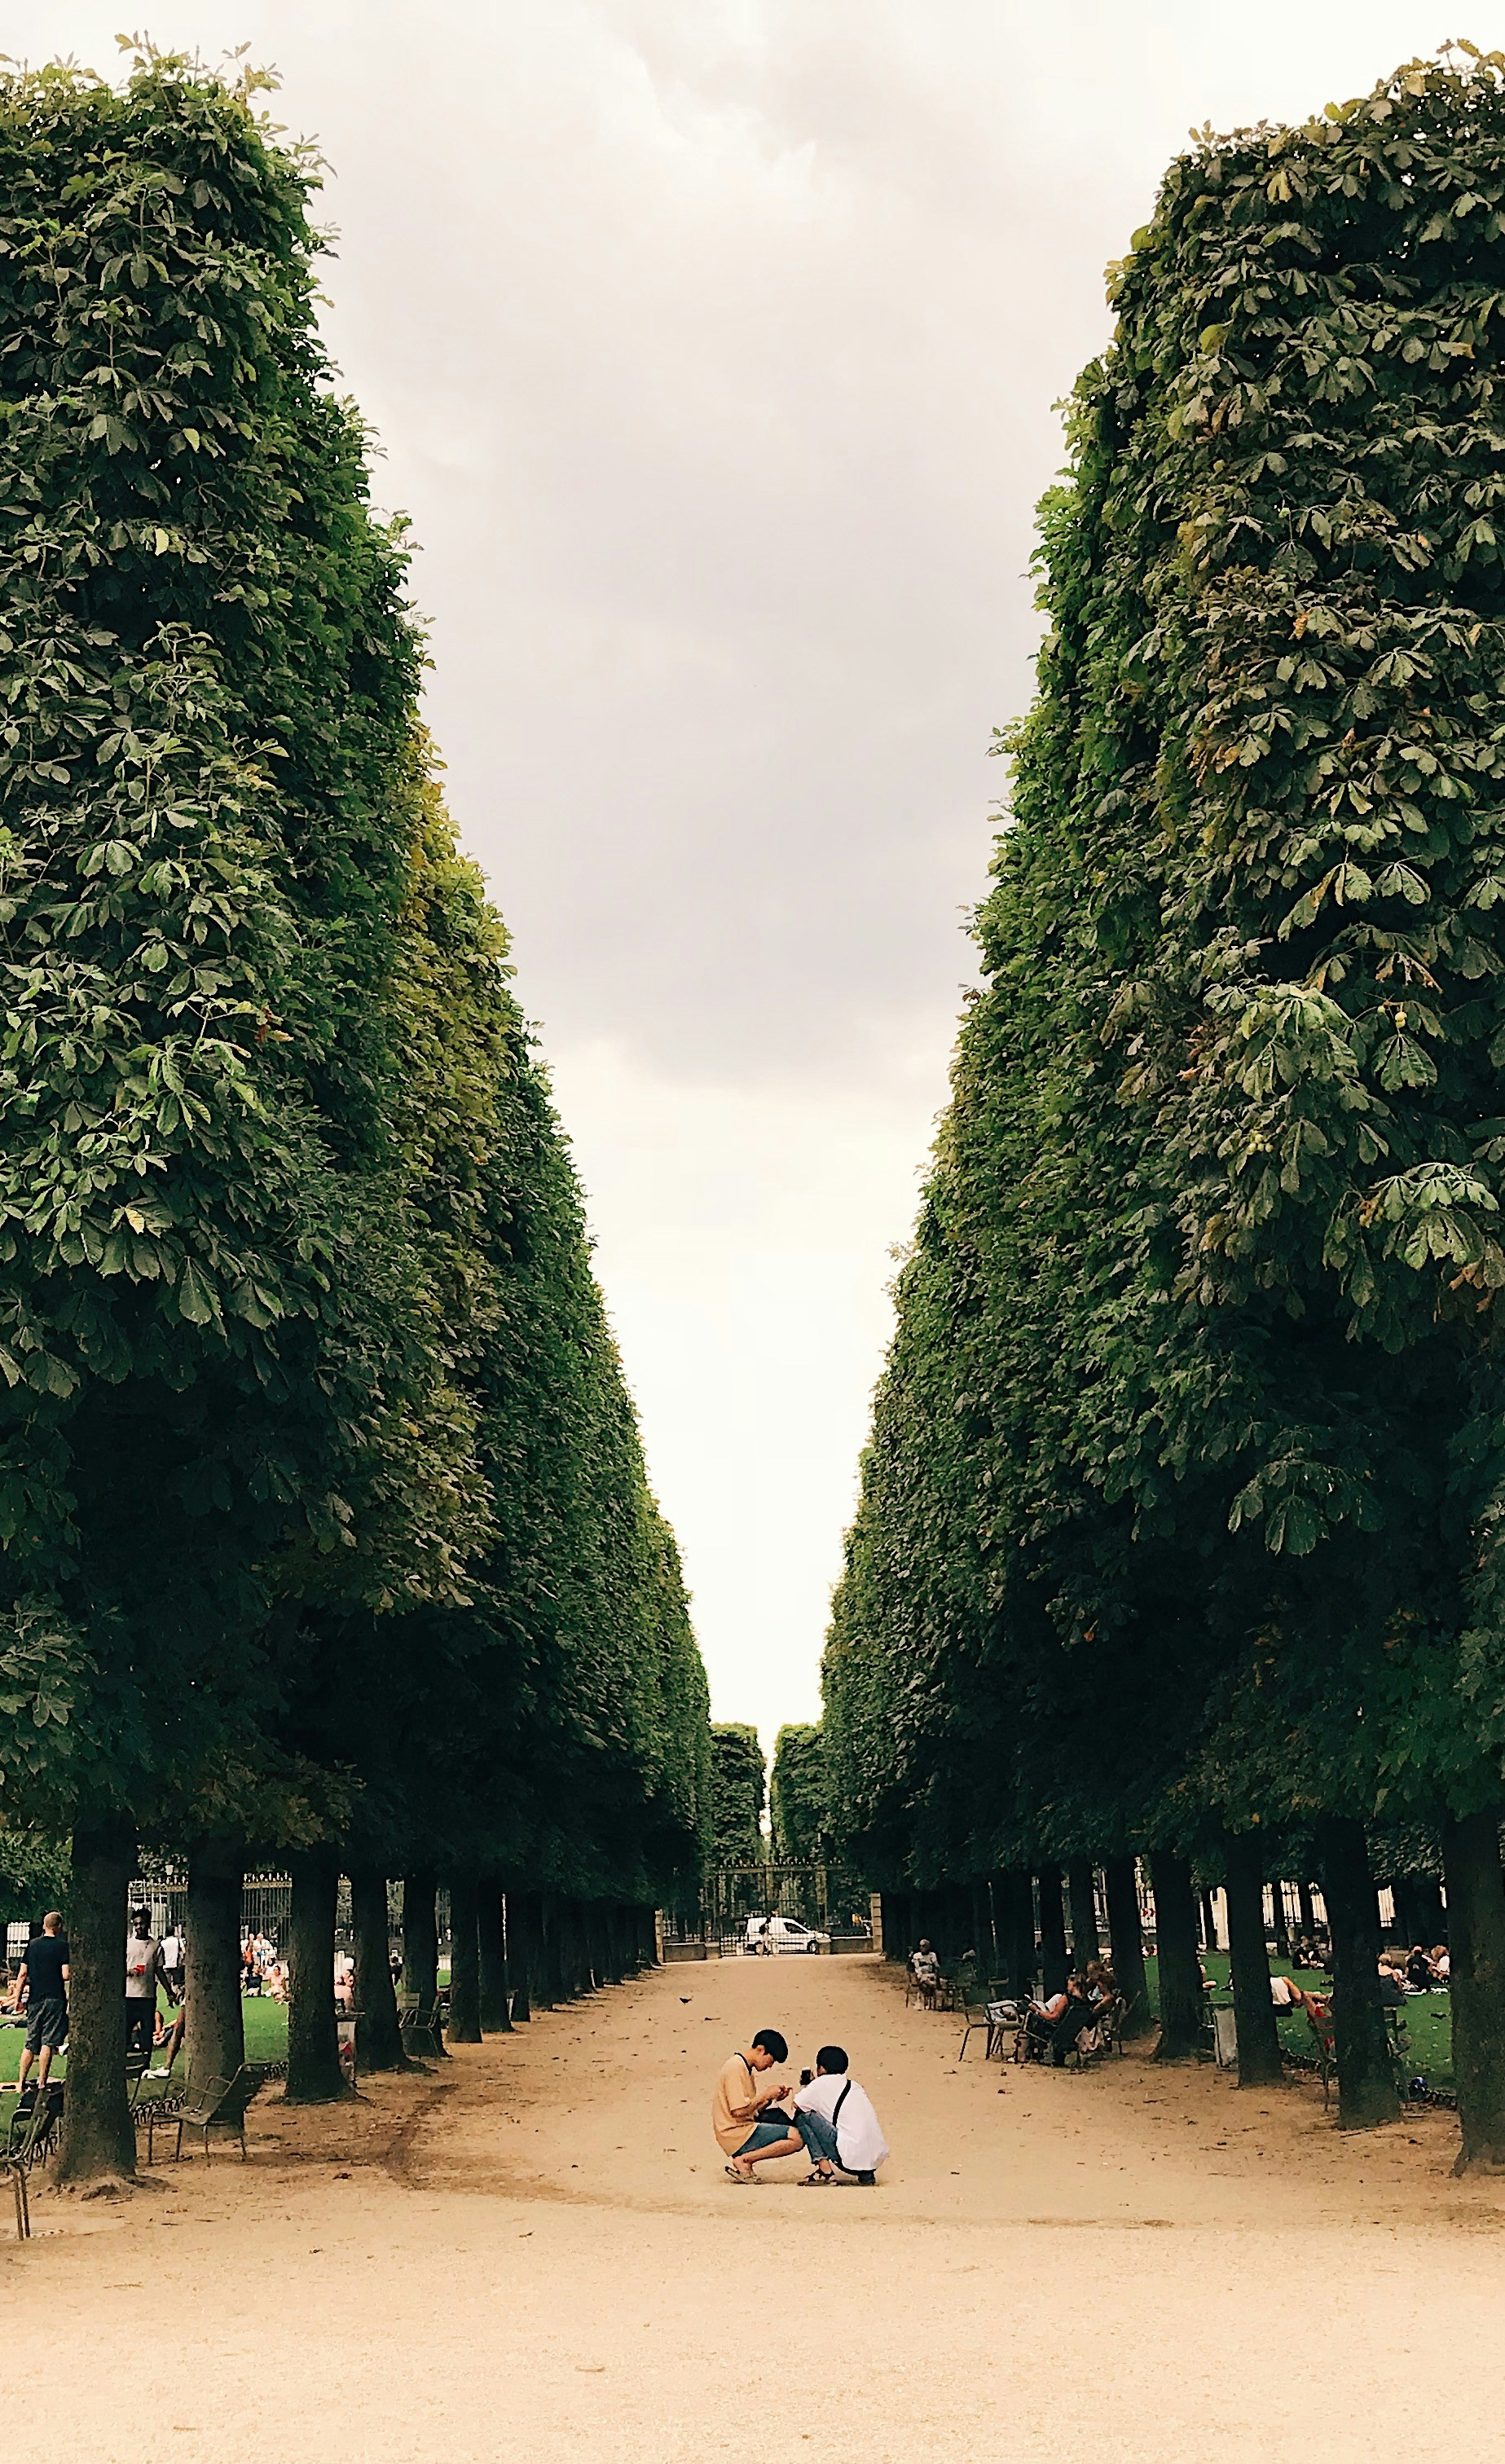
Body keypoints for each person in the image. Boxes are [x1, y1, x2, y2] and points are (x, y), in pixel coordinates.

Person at [792, 2044, 890, 2185]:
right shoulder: (854, 2085)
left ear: (822, 2068)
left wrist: (808, 2086)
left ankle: (825, 2172)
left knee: (803, 2117)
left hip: (847, 2156)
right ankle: (866, 2175)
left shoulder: (820, 2083)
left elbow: (798, 2105)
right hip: (874, 2159)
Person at [713, 2028, 802, 2182]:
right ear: (761, 2050)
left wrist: (770, 2100)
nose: (770, 2066)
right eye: (771, 2060)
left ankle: (745, 2160)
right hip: (736, 2133)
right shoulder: (736, 2067)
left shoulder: (745, 2068)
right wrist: (766, 2095)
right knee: (797, 2137)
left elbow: (749, 2109)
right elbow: (739, 2110)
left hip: (740, 2128)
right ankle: (745, 2160)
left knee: (787, 2125)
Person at [9, 1912, 68, 2100]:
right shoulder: (62, 1946)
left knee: (30, 2042)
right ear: (58, 1926)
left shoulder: (32, 1945)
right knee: (48, 2042)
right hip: (54, 1998)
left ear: (44, 1926)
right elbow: (65, 1974)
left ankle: (21, 2083)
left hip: (35, 1999)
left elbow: (22, 1974)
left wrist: (18, 1999)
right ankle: (42, 2082)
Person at [125, 1907, 174, 2059]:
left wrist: (169, 1991)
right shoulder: (127, 1944)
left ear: (148, 1924)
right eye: (136, 1924)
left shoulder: (156, 1945)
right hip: (129, 1994)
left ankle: (145, 2062)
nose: (139, 1927)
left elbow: (159, 1970)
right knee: (125, 2029)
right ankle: (126, 2060)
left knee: (147, 2031)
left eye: (142, 1924)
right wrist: (129, 1971)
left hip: (147, 1995)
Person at [909, 1939, 941, 2007]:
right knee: (926, 1980)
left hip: (930, 1974)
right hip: (921, 1975)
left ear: (928, 1947)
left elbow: (936, 1965)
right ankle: (928, 1997)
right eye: (920, 1946)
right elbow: (917, 1967)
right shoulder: (917, 1956)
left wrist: (936, 1968)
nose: (921, 1947)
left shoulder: (932, 1955)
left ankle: (934, 2000)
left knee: (935, 1979)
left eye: (923, 1946)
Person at [160, 1923, 185, 1998]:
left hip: (165, 1965)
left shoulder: (163, 1942)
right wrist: (181, 1959)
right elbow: (184, 1951)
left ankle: (170, 1996)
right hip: (175, 1964)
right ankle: (176, 1995)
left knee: (168, 1984)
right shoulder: (177, 1941)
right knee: (176, 1983)